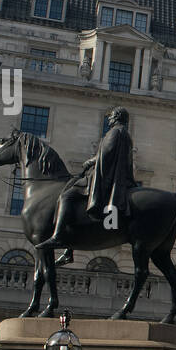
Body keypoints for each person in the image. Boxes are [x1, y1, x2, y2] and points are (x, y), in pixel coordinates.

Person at [36, 105, 137, 264]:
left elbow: (106, 155)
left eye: (111, 116)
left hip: (105, 178)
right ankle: (69, 249)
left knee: (67, 196)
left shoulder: (115, 132)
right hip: (113, 178)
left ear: (117, 117)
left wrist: (90, 161)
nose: (109, 119)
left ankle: (58, 236)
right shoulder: (125, 134)